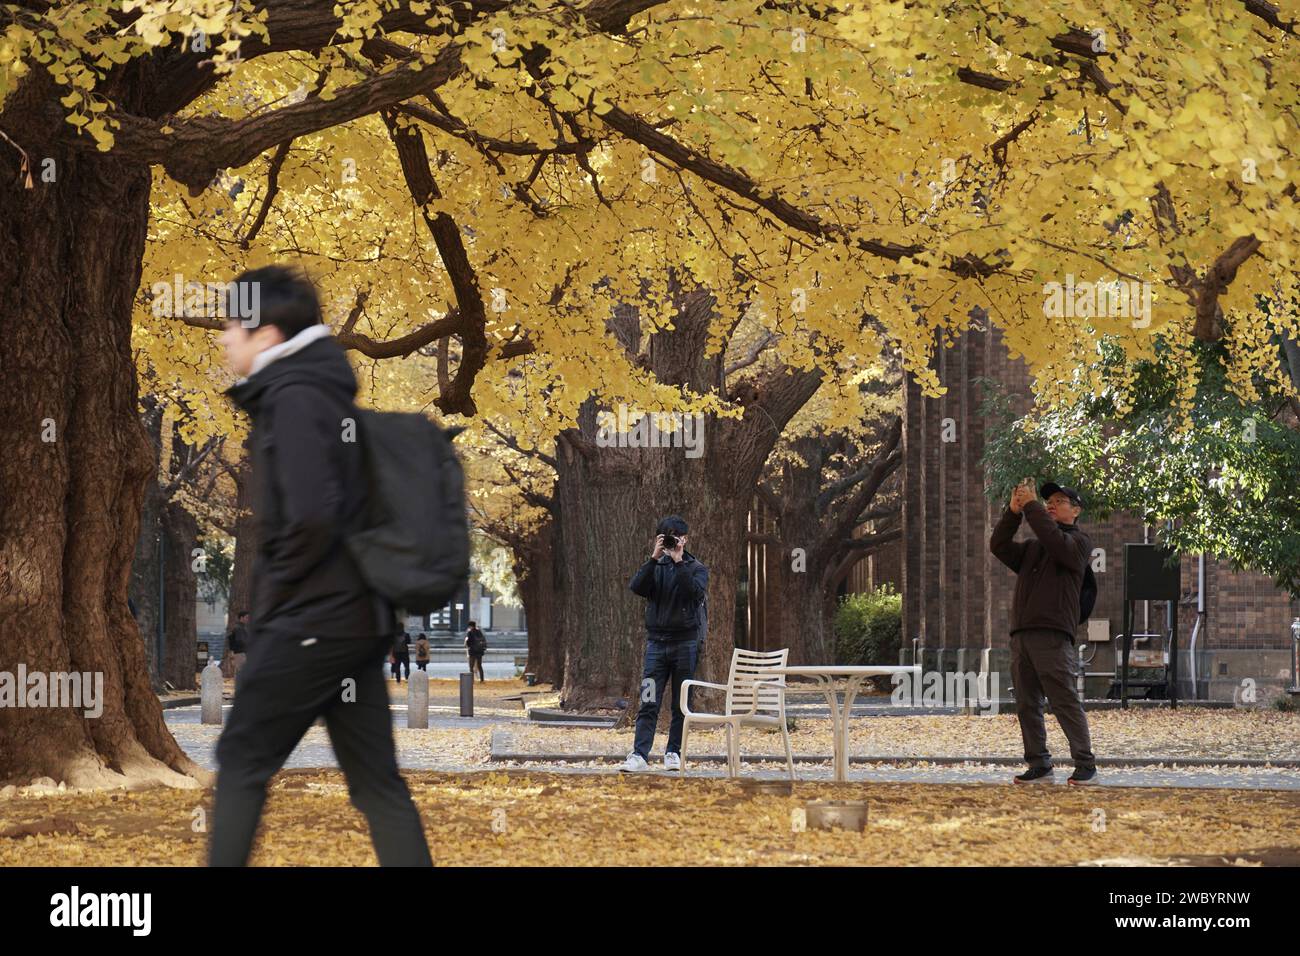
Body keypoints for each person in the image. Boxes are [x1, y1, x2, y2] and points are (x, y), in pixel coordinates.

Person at [208, 264, 432, 866]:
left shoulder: (296, 397)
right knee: (377, 784)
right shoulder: (318, 392)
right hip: (352, 622)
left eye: (233, 323)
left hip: (311, 621)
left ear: (269, 333)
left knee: (243, 760)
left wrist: (275, 604)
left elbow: (311, 515)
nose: (224, 335)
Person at [990, 479, 1098, 786]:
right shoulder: (1033, 548)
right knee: (1027, 703)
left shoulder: (1079, 543)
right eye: (1047, 500)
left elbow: (1055, 542)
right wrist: (1013, 513)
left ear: (1075, 511)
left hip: (1053, 635)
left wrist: (1032, 505)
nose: (1050, 503)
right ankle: (1039, 764)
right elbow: (998, 546)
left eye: (1059, 501)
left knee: (1063, 700)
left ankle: (1085, 764)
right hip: (1022, 634)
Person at [622, 515, 708, 773]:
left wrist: (679, 560)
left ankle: (674, 752)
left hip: (685, 645)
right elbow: (636, 587)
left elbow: (693, 593)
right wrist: (653, 557)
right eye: (666, 537)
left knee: (681, 703)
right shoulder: (655, 567)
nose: (672, 542)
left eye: (676, 537)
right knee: (648, 700)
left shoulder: (696, 568)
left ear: (685, 539)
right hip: (656, 646)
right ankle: (639, 754)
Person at [225, 610, 251, 680]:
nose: (248, 619)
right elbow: (240, 641)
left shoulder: (242, 627)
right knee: (241, 672)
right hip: (240, 653)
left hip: (241, 652)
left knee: (241, 672)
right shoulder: (239, 628)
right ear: (241, 618)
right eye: (247, 617)